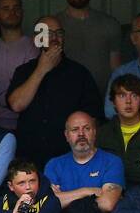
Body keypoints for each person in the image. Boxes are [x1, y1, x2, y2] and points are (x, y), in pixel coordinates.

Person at [6, 15, 103, 169]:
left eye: (59, 33)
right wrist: (41, 69)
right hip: (30, 159)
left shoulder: (79, 73)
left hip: (69, 159)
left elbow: (93, 117)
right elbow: (17, 104)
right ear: (35, 39)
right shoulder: (23, 71)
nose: (54, 38)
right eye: (48, 33)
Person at [54, 0, 122, 97]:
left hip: (103, 101)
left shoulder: (110, 23)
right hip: (65, 99)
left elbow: (116, 69)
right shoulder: (55, 26)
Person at [43, 111, 123, 213]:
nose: (81, 134)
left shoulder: (112, 162)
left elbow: (107, 204)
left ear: (94, 132)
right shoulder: (54, 165)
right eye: (75, 129)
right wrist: (87, 191)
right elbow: (47, 205)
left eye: (86, 128)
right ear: (66, 135)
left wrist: (64, 199)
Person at [0, 0, 37, 135]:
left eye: (16, 8)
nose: (12, 12)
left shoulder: (35, 48)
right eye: (6, 8)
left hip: (28, 123)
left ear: (22, 13)